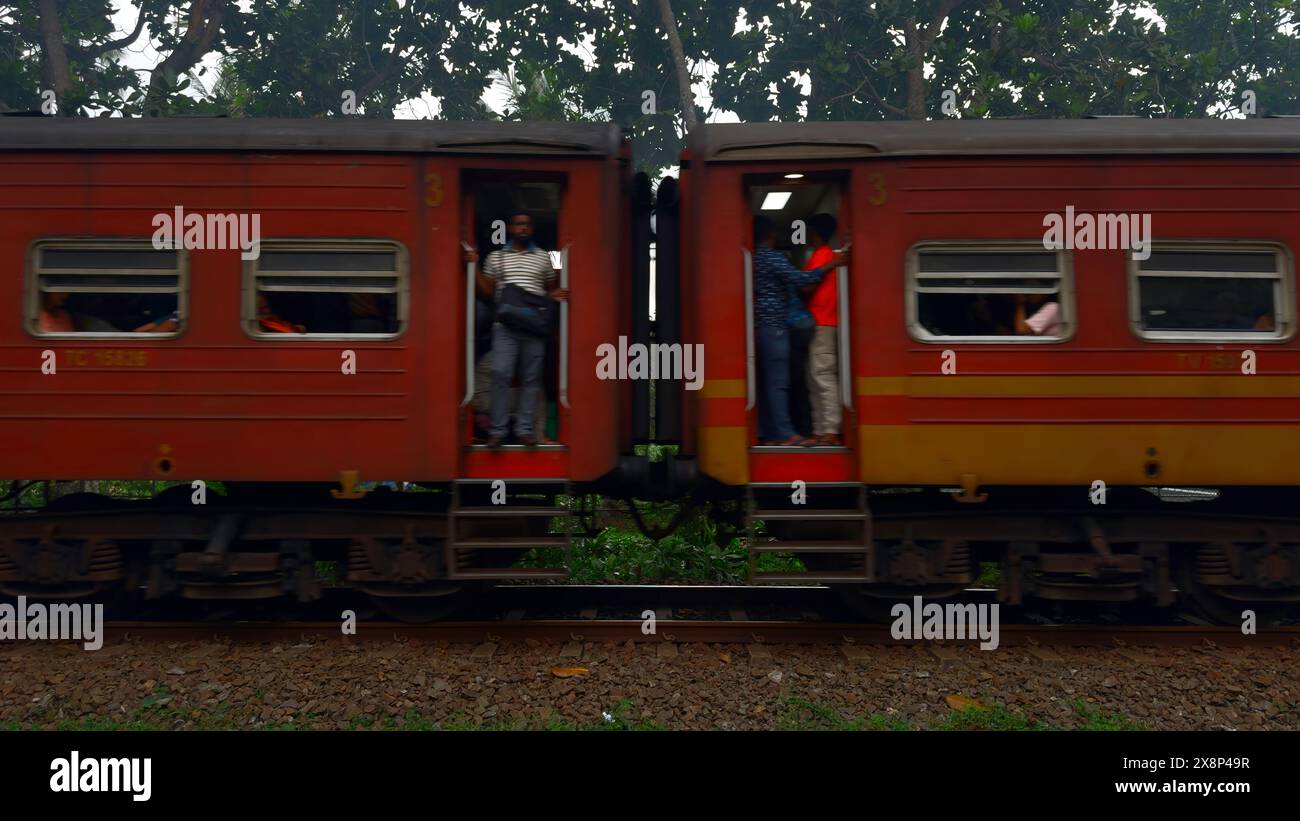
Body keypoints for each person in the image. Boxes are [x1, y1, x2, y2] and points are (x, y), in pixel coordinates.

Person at [464, 210, 568, 447]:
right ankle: (498, 432)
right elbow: (488, 291)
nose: (523, 228)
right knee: (501, 374)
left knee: (531, 378)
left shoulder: (543, 257)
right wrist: (475, 267)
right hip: (505, 327)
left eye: (527, 224)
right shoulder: (496, 258)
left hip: (534, 325)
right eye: (519, 224)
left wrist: (555, 289)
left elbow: (551, 288)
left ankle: (524, 430)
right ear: (510, 228)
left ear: (531, 229)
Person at [752, 216, 847, 446]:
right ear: (771, 236)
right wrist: (832, 265)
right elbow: (802, 281)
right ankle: (794, 433)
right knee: (790, 380)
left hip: (778, 326)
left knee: (808, 378)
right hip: (778, 326)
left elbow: (804, 283)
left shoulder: (757, 259)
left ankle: (816, 431)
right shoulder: (773, 258)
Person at [802, 213, 842, 446]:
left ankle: (829, 430)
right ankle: (821, 430)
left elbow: (807, 285)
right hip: (821, 323)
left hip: (823, 323)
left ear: (815, 233)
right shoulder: (825, 256)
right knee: (815, 376)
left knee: (821, 375)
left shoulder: (822, 255)